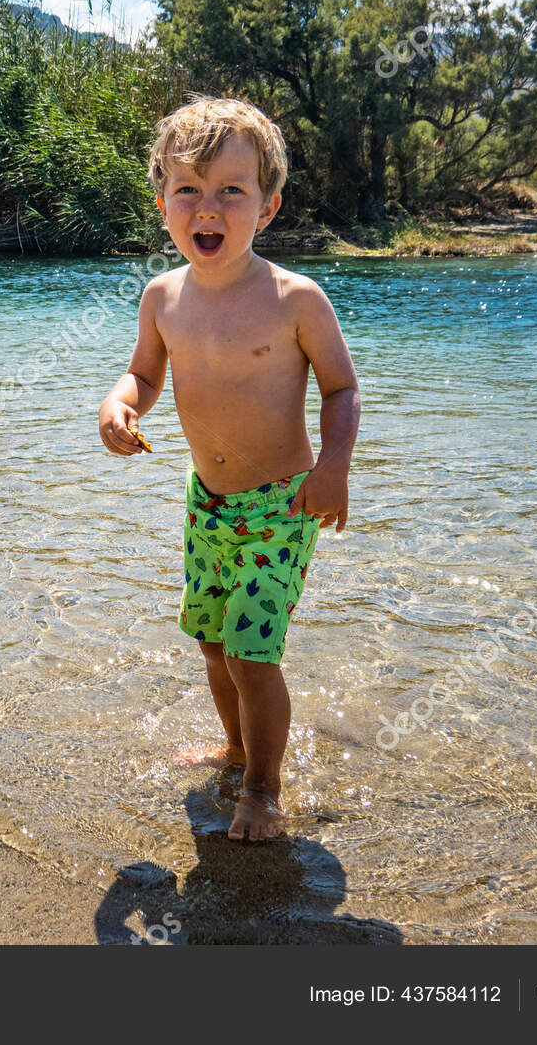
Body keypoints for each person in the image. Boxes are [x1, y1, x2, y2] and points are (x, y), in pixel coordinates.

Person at [97, 96, 361, 841]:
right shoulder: (162, 298)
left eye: (230, 192)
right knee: (213, 643)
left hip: (283, 504)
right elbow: (142, 376)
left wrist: (334, 467)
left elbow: (341, 388)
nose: (207, 208)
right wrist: (120, 406)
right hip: (206, 504)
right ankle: (237, 748)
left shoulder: (294, 299)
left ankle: (265, 790)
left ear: (268, 208)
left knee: (251, 653)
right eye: (189, 190)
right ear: (163, 206)